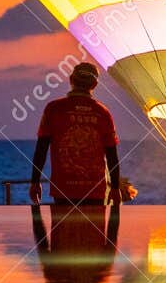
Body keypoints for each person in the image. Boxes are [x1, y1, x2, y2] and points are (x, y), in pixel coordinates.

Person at [30, 62, 120, 206]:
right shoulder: (103, 113)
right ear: (95, 85)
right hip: (95, 191)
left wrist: (35, 182)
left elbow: (41, 149)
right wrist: (115, 188)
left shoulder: (53, 109)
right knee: (93, 228)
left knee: (63, 228)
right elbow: (112, 156)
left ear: (71, 79)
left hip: (63, 191)